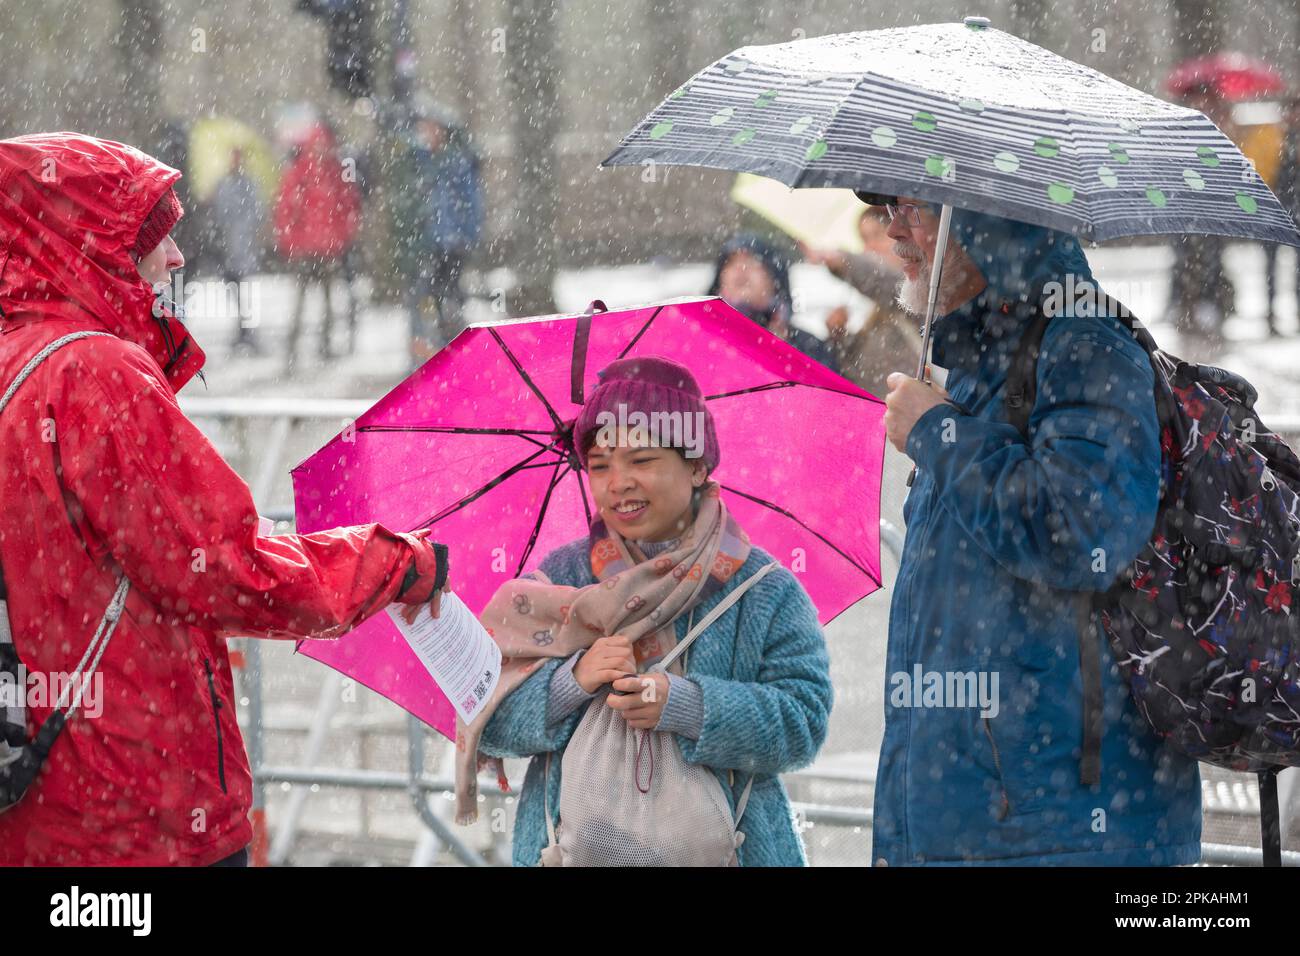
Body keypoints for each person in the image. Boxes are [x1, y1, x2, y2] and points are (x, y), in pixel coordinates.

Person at [0, 133, 451, 866]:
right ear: (93, 248)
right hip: (135, 806)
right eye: (151, 237)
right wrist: (391, 563)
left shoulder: (17, 360)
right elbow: (223, 565)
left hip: (36, 800)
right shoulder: (96, 374)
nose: (176, 257)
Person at [870, 193, 1202, 865]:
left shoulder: (1087, 345)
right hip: (974, 822)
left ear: (986, 221)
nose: (893, 228)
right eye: (887, 208)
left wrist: (938, 433)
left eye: (913, 209)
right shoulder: (979, 365)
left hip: (1063, 828)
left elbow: (1081, 534)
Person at [468, 356, 833, 866]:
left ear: (697, 467)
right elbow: (488, 718)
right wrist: (573, 681)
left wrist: (687, 707)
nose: (617, 482)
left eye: (641, 460)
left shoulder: (762, 589)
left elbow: (803, 722)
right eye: (600, 465)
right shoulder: (557, 579)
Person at [390, 104, 484, 368]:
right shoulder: (416, 162)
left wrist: (465, 238)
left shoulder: (455, 162)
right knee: (423, 305)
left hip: (450, 247)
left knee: (448, 304)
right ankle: (425, 360)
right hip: (424, 247)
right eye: (422, 129)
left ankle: (452, 358)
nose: (426, 134)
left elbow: (471, 204)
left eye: (431, 128)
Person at [802, 205, 920, 397]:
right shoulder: (874, 309)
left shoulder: (926, 291)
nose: (869, 248)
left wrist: (842, 260)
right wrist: (840, 337)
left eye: (878, 235)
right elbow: (856, 372)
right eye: (864, 240)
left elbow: (892, 286)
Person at [273, 120, 362, 371]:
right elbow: (285, 210)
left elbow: (349, 205)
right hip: (305, 248)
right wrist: (290, 242)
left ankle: (324, 344)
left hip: (328, 248)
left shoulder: (337, 172)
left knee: (327, 299)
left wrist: (343, 236)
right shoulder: (299, 172)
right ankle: (293, 348)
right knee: (301, 301)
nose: (321, 149)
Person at [707, 233, 840, 373]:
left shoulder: (808, 347)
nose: (740, 268)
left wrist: (782, 357)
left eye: (753, 262)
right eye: (731, 262)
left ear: (775, 280)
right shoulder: (701, 336)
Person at [209, 148, 265, 354]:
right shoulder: (223, 184)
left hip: (241, 247)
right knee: (235, 289)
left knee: (243, 289)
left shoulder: (247, 185)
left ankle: (246, 330)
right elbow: (218, 214)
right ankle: (243, 329)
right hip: (229, 248)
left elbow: (256, 213)